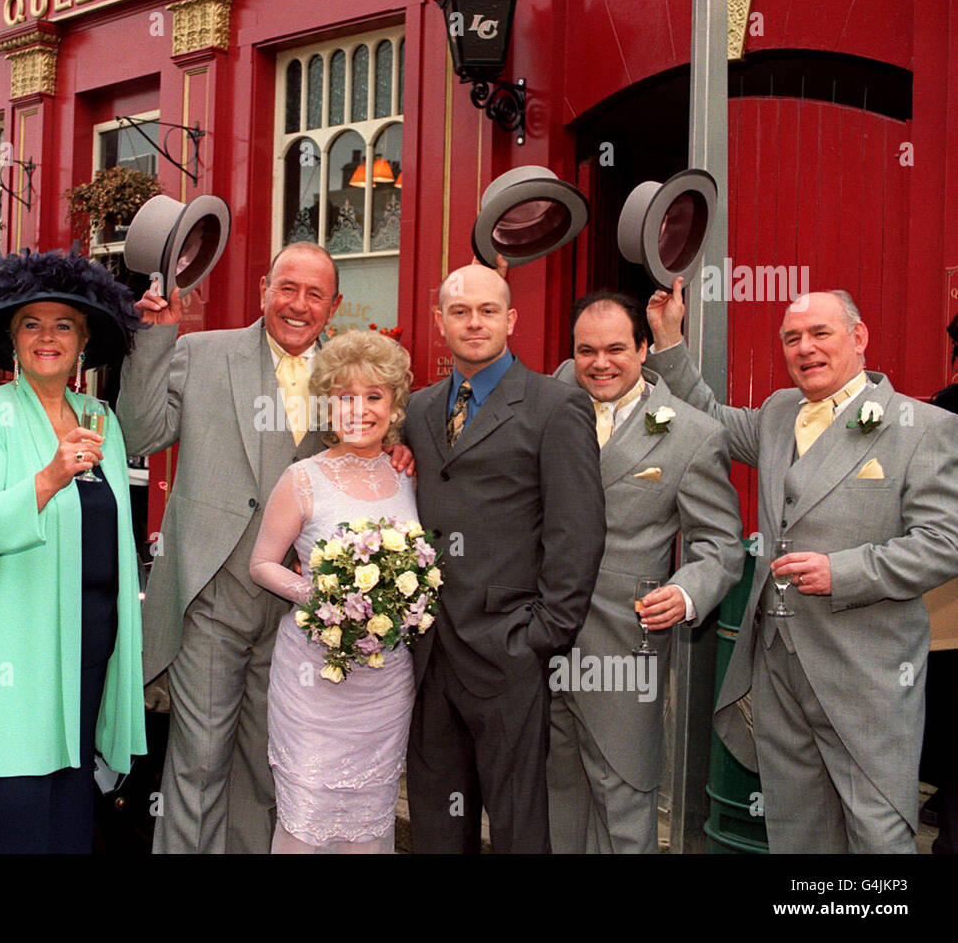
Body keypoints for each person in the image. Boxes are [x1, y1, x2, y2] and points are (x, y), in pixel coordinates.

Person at [646, 277, 958, 852]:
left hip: (865, 672)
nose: (805, 348)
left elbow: (943, 542)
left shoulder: (925, 428)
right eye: (792, 338)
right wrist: (669, 338)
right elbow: (707, 415)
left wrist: (846, 572)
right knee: (797, 828)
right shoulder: (779, 413)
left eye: (820, 333)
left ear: (858, 337)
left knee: (877, 828)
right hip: (776, 666)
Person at [119, 241, 371, 853]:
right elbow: (139, 431)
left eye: (315, 294)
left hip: (302, 617)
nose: (298, 305)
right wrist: (151, 339)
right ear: (264, 288)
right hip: (215, 596)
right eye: (287, 287)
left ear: (333, 306)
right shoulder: (201, 353)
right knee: (198, 767)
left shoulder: (348, 379)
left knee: (267, 772)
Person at [0, 248, 147, 853]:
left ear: (83, 342)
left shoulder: (100, 416)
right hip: (13, 653)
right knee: (13, 811)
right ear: (12, 338)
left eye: (63, 325)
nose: (46, 337)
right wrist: (48, 478)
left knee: (68, 817)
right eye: (31, 323)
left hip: (90, 650)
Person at [404, 263, 606, 853]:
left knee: (519, 828)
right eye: (460, 311)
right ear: (439, 320)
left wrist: (542, 635)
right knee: (436, 827)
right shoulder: (417, 409)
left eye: (488, 310)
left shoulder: (556, 406)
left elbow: (578, 532)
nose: (474, 322)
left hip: (509, 652)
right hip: (428, 653)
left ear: (511, 319)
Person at [547, 289, 743, 853]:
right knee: (554, 796)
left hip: (624, 646)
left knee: (623, 801)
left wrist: (686, 593)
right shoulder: (544, 407)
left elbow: (720, 544)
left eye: (615, 349)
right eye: (586, 351)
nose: (600, 363)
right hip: (540, 641)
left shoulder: (690, 433)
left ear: (644, 348)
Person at [249, 329, 417, 853]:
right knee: (308, 811)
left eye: (373, 396)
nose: (359, 409)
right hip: (312, 681)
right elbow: (262, 565)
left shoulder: (409, 475)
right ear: (326, 405)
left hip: (386, 683)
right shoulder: (303, 477)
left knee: (371, 815)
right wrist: (322, 596)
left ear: (393, 405)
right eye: (345, 397)